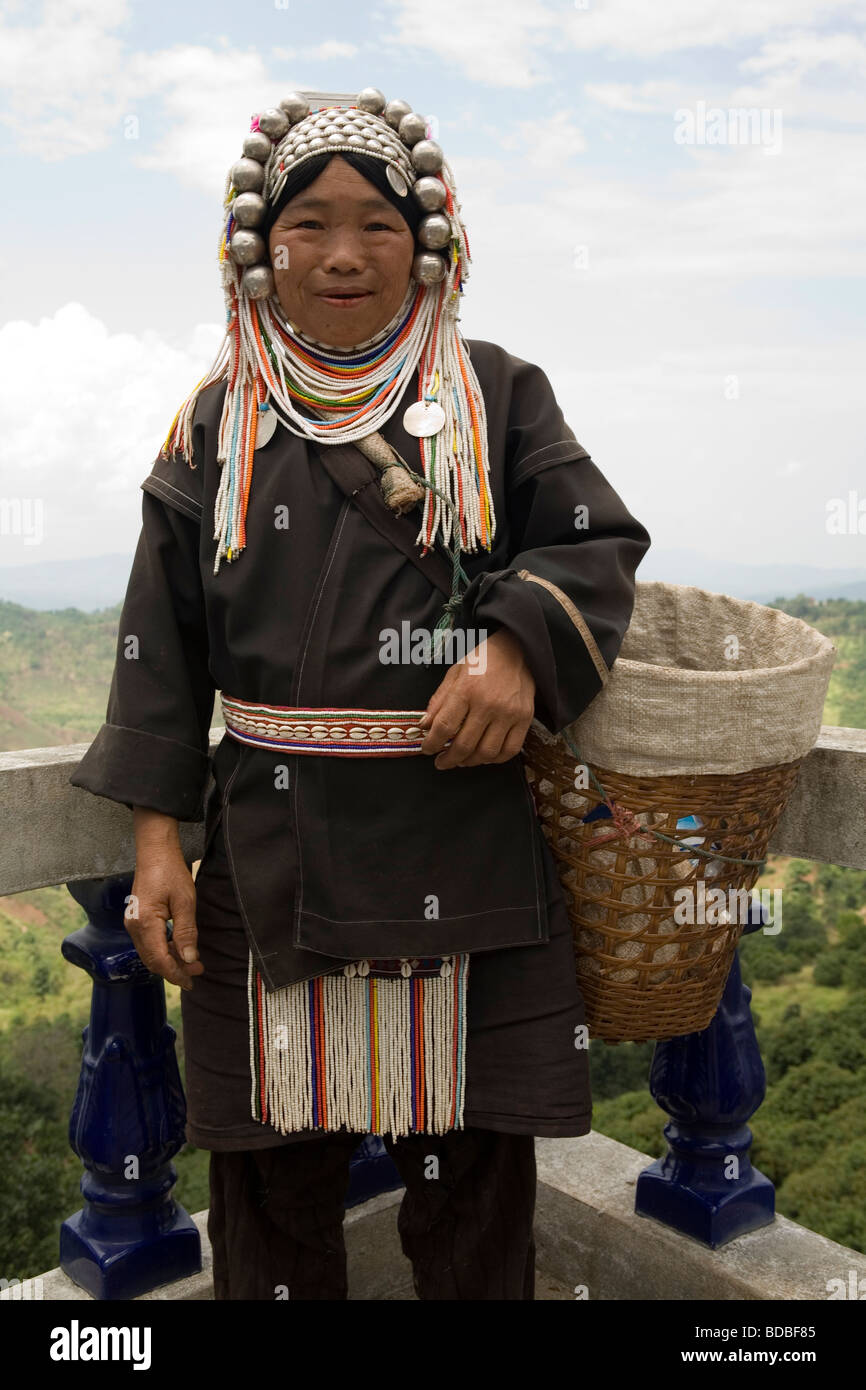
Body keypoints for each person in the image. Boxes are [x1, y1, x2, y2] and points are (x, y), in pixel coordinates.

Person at [69, 86, 651, 1300]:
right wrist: (156, 843)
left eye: (377, 224)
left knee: (473, 1197)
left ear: (427, 242)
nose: (342, 252)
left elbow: (594, 540)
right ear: (256, 245)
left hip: (466, 847)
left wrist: (512, 647)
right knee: (269, 1203)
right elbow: (158, 648)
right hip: (268, 860)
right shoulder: (215, 426)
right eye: (311, 222)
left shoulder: (497, 395)